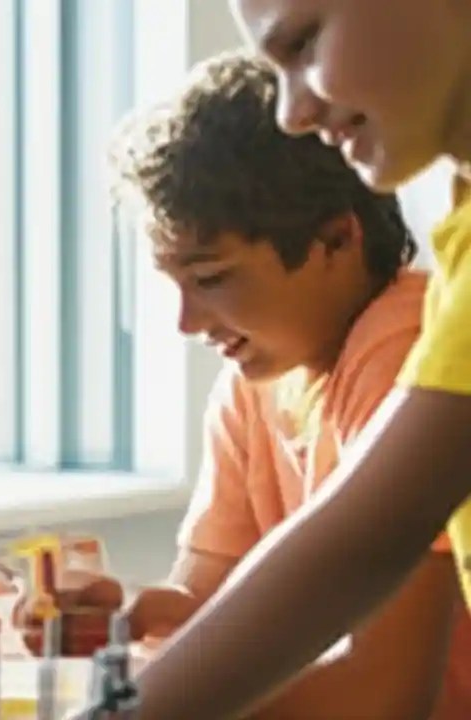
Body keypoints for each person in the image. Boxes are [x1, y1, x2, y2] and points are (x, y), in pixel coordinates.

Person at [68, 1, 471, 718]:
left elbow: (362, 567)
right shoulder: (458, 245)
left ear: (338, 242)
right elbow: (250, 603)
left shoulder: (398, 335)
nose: (294, 111)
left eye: (307, 40)